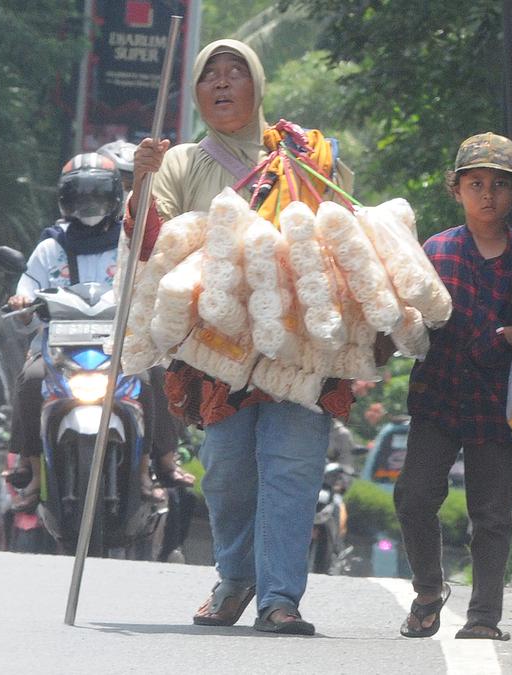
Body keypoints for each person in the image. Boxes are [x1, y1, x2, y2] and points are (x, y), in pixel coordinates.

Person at [129, 39, 359, 636]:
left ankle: (279, 597)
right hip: (217, 343)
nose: (224, 83)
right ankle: (234, 577)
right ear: (198, 92)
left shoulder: (303, 154)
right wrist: (140, 180)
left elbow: (340, 231)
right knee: (227, 469)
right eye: (212, 74)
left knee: (291, 466)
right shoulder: (179, 162)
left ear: (258, 84)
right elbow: (151, 244)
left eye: (237, 73)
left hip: (300, 337)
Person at [394, 132, 512, 641]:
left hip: (501, 401)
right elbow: (412, 314)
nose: (487, 195)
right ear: (457, 190)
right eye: (475, 184)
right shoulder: (436, 251)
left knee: (491, 515)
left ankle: (484, 617)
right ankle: (428, 591)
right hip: (438, 394)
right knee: (413, 496)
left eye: (498, 184)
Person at [5, 152, 194, 513]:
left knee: (153, 375)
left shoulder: (131, 241)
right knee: (29, 379)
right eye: (80, 195)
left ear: (114, 199)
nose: (88, 203)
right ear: (65, 200)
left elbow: (153, 279)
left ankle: (156, 466)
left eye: (97, 195)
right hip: (58, 347)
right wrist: (20, 301)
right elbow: (27, 289)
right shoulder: (50, 246)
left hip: (122, 345)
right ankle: (32, 468)